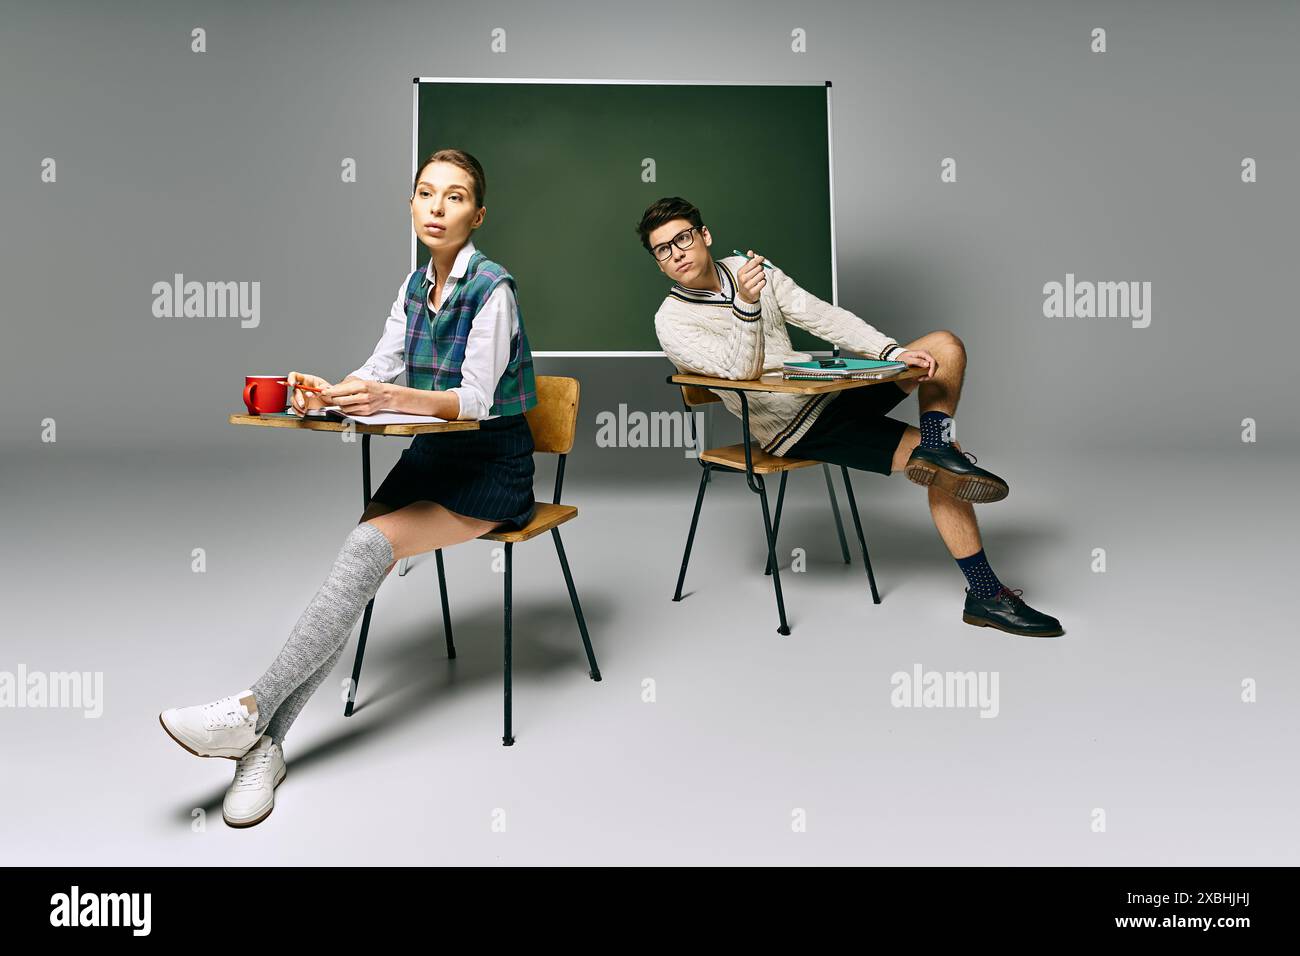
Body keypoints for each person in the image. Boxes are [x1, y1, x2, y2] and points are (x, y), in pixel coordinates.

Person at [160, 149, 538, 827]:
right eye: (427, 193)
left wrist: (388, 394)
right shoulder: (412, 286)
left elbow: (476, 401)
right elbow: (380, 365)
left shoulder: (495, 292)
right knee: (356, 574)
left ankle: (247, 713)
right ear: (411, 204)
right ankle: (263, 749)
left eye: (455, 198)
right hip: (432, 459)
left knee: (364, 551)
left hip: (490, 468)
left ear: (477, 215)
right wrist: (328, 395)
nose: (438, 207)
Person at [637, 196, 1063, 638]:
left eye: (682, 238)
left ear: (704, 236)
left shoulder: (745, 266)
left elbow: (820, 316)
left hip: (831, 394)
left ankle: (935, 446)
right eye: (663, 250)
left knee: (944, 346)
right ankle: (985, 595)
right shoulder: (671, 321)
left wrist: (891, 353)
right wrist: (747, 303)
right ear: (659, 264)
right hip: (793, 428)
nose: (677, 253)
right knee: (942, 469)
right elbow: (739, 371)